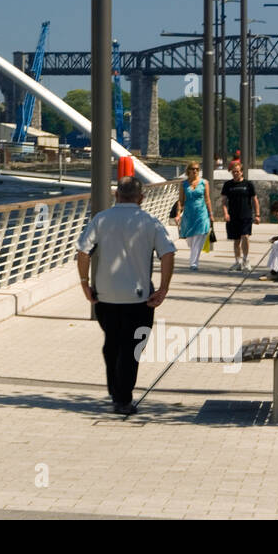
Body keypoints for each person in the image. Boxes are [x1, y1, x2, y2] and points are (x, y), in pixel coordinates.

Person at [76, 175, 176, 416]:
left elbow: (83, 251)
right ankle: (123, 399)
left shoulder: (101, 219)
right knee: (131, 349)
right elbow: (168, 254)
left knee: (112, 344)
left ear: (116, 194)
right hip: (139, 299)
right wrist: (163, 288)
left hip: (105, 296)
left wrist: (84, 283)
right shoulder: (150, 222)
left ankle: (116, 392)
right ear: (141, 198)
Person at [221, 161, 260, 272]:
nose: (235, 174)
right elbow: (223, 201)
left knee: (245, 237)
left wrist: (257, 215)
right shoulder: (228, 185)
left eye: (237, 172)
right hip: (233, 216)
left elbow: (255, 200)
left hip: (246, 215)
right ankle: (238, 261)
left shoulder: (248, 184)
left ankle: (246, 260)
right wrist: (225, 213)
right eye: (234, 172)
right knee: (236, 240)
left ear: (242, 172)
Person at [173, 161, 211, 271]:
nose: (195, 171)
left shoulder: (204, 183)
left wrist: (210, 214)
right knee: (190, 240)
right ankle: (193, 258)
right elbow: (180, 201)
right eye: (193, 169)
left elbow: (207, 199)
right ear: (188, 170)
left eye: (197, 169)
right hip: (189, 215)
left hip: (201, 214)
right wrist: (178, 214)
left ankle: (193, 263)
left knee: (198, 238)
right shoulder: (184, 184)